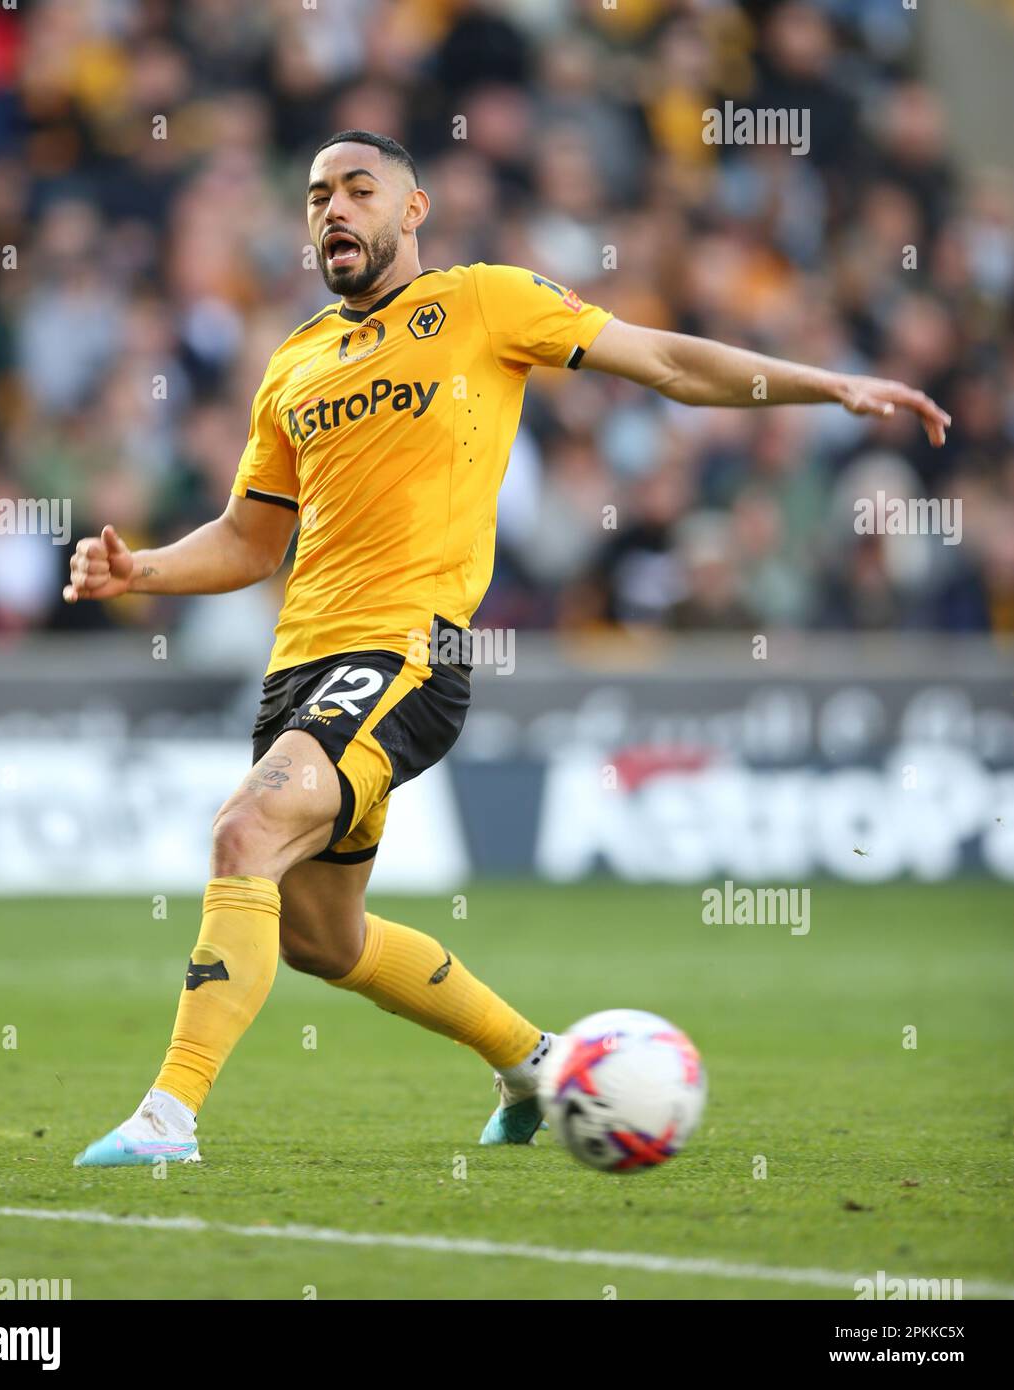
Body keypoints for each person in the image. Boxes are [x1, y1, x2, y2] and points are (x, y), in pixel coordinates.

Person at [67, 131, 949, 1166]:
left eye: (360, 189)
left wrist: (825, 385)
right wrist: (143, 573)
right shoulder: (293, 362)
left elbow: (663, 359)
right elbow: (251, 541)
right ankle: (531, 1061)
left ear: (414, 209)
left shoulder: (484, 302)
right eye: (316, 196)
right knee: (320, 939)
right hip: (302, 669)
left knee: (245, 830)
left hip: (406, 655)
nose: (334, 210)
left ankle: (168, 1119)